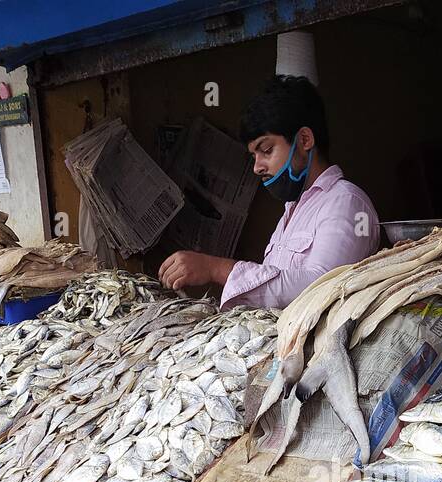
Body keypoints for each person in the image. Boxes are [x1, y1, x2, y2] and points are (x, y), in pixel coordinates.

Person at [158, 75, 379, 310]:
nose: (257, 167)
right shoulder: (292, 211)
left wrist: (215, 268)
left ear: (304, 139)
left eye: (266, 149)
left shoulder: (346, 202)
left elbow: (324, 287)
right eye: (254, 155)